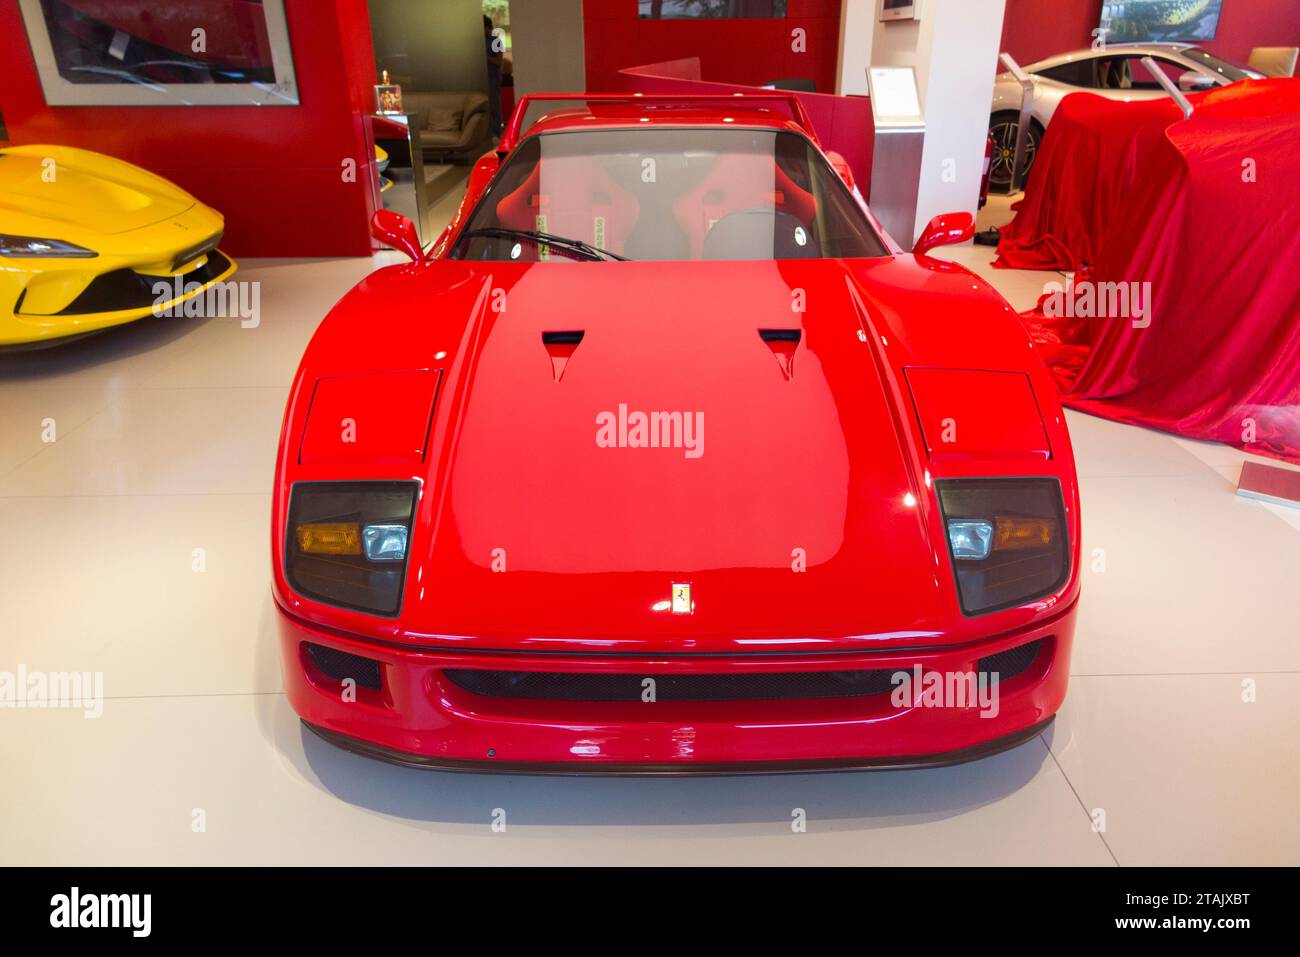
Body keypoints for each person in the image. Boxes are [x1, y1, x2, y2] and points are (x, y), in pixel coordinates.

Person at [484, 14, 504, 137]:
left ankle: (498, 133)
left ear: (487, 27)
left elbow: (498, 61)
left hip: (492, 78)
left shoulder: (495, 41)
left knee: (495, 107)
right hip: (481, 78)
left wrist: (485, 58)